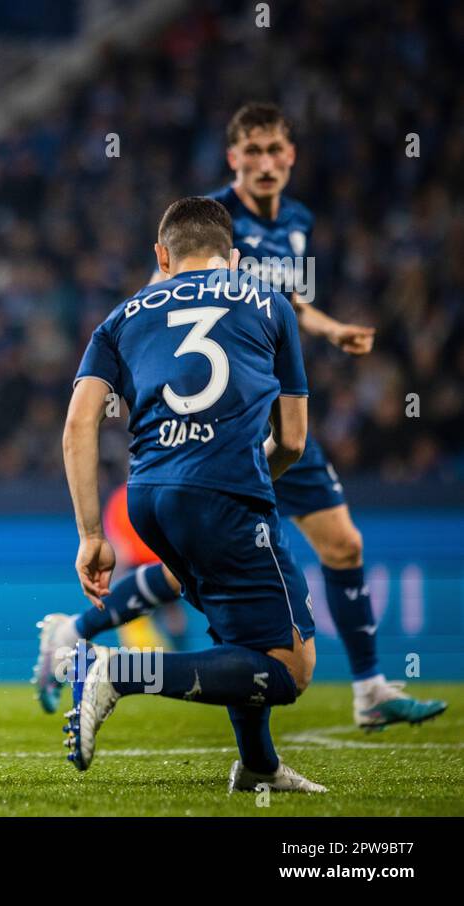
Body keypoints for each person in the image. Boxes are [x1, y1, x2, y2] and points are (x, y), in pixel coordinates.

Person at [38, 103, 446, 730]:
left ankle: (366, 691)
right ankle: (84, 636)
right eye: (250, 151)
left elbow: (288, 302)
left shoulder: (297, 222)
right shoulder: (209, 225)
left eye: (274, 150)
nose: (263, 162)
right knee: (211, 574)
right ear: (232, 159)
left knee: (337, 545)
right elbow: (164, 301)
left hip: (260, 423)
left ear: (291, 156)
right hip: (227, 426)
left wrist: (331, 329)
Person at [62, 196, 324, 792]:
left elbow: (79, 424)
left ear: (161, 255)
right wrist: (250, 475)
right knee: (290, 668)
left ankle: (258, 766)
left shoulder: (122, 316)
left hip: (147, 497)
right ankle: (118, 671)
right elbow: (293, 440)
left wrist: (91, 536)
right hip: (225, 491)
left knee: (239, 636)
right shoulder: (272, 305)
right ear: (232, 259)